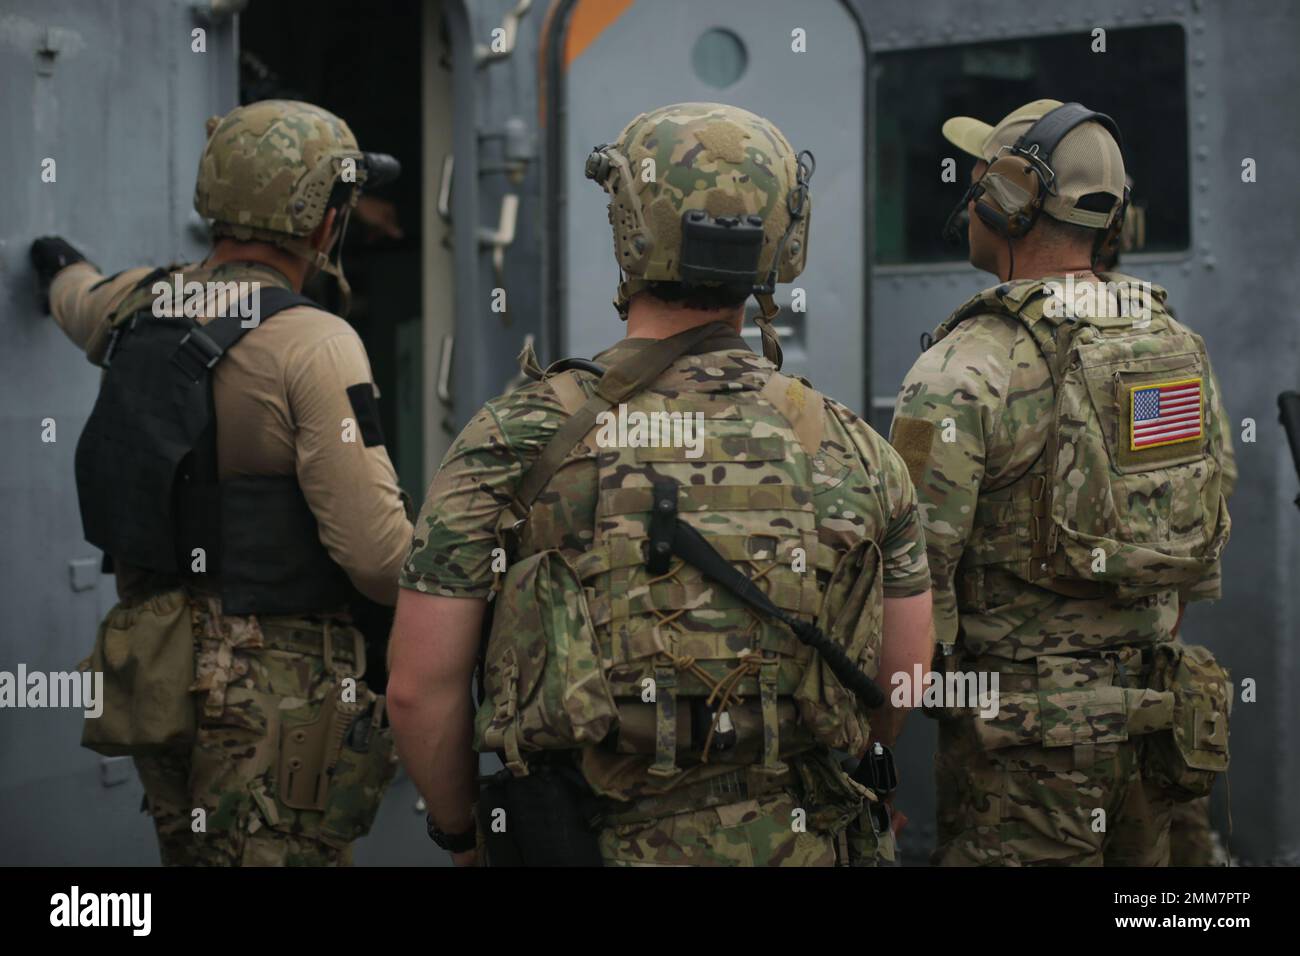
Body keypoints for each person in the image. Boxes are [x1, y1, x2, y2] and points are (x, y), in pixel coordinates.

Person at [388, 102, 934, 866]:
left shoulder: (515, 437)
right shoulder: (859, 453)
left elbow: (418, 689)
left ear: (627, 230)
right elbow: (899, 677)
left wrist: (462, 835)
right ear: (785, 244)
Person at [30, 99, 412, 866]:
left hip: (155, 667)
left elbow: (76, 297)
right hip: (273, 692)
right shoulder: (314, 343)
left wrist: (52, 260)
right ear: (323, 220)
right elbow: (377, 561)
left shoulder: (138, 303)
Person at [893, 99, 1233, 866]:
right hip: (1155, 726)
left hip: (1023, 757)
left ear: (1007, 201)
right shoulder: (1174, 346)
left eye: (981, 180)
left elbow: (911, 580)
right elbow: (1184, 541)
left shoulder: (960, 369)